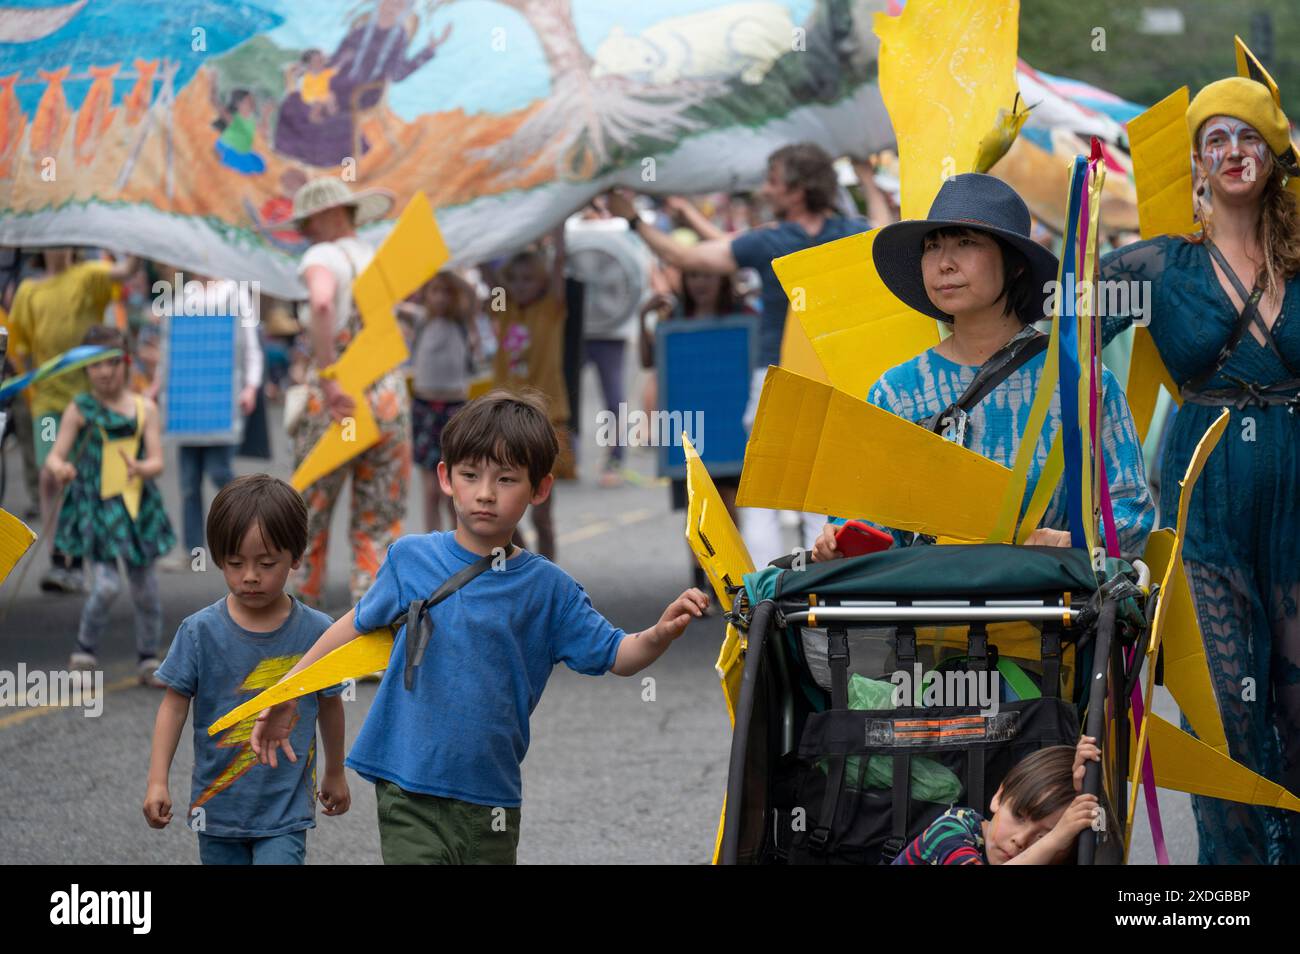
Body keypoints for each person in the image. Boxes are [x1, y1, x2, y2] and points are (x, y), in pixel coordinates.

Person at [250, 391, 709, 864]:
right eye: (471, 475)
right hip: (408, 791)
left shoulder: (550, 589)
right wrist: (289, 690)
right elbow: (351, 625)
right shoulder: (411, 559)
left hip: (492, 802)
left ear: (540, 489)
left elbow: (618, 655)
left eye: (506, 479)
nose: (485, 492)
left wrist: (660, 631)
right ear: (447, 477)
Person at [1100, 75, 1300, 864]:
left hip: (1297, 488)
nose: (1232, 151)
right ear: (1195, 164)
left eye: (1248, 136)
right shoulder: (1157, 268)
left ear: (1273, 154)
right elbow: (1052, 332)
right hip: (1203, 493)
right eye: (1214, 140)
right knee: (1225, 711)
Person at [811, 173, 1155, 562]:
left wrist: (1074, 540)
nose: (944, 263)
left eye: (966, 243)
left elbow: (1132, 516)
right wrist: (840, 540)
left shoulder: (1079, 384)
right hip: (923, 613)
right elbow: (865, 517)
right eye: (932, 246)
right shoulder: (896, 391)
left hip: (1050, 614)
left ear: (1016, 264)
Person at [608, 144, 872, 564]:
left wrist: (634, 218)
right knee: (820, 494)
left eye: (773, 180)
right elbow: (889, 227)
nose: (765, 189)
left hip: (775, 376)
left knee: (763, 494)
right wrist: (868, 177)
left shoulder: (771, 241)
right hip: (834, 378)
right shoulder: (850, 233)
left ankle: (766, 593)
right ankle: (820, 592)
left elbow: (684, 256)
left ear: (797, 190)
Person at [143, 474, 348, 864]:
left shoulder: (318, 632)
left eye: (266, 563)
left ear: (297, 557)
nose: (250, 575)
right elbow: (173, 705)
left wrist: (335, 771)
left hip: (284, 812)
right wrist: (157, 781)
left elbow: (331, 703)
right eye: (235, 563)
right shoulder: (199, 631)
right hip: (217, 809)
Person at [290, 176, 410, 611]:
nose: (304, 232)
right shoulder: (372, 255)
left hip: (338, 403)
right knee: (379, 521)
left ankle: (296, 632)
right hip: (388, 397)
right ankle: (373, 629)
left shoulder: (322, 255)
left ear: (327, 214)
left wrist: (327, 373)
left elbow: (322, 303)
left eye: (306, 222)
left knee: (305, 517)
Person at [42, 326, 175, 684]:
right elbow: (54, 457)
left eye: (112, 363)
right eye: (96, 365)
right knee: (105, 585)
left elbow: (158, 461)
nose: (105, 372)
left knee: (146, 588)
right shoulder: (80, 408)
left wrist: (141, 468)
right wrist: (63, 468)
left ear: (127, 363)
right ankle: (84, 649)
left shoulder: (144, 407)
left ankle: (148, 659)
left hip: (135, 506)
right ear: (86, 370)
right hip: (97, 510)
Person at [7, 247, 137, 592]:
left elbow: (125, 271)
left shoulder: (89, 274)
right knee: (52, 472)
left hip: (86, 400)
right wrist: (30, 385)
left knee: (81, 480)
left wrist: (138, 241)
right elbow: (19, 346)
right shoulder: (29, 290)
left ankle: (76, 562)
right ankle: (61, 555)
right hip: (48, 403)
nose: (59, 245)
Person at [639, 228, 748, 590]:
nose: (700, 283)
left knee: (729, 509)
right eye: (693, 275)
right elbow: (647, 362)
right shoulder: (673, 317)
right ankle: (700, 579)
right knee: (697, 511)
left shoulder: (744, 315)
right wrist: (646, 319)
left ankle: (732, 578)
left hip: (729, 431)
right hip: (689, 430)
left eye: (707, 275)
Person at [165, 274, 264, 570]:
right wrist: (161, 386)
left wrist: (251, 385)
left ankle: (246, 537)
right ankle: (194, 553)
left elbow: (251, 345)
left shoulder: (235, 293)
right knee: (188, 484)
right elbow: (172, 347)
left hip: (222, 401)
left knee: (220, 474)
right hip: (188, 407)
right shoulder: (186, 296)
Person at [892, 737, 1101, 865]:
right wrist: (1054, 839)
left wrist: (1084, 792)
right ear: (999, 796)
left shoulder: (1050, 855)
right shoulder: (951, 830)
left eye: (1042, 835)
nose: (1021, 840)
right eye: (1019, 816)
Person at [491, 228, 571, 561]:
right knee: (505, 510)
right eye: (516, 279)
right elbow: (486, 269)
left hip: (546, 418)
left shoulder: (550, 309)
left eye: (529, 279)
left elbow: (559, 267)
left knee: (542, 511)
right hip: (506, 419)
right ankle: (522, 565)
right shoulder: (504, 308)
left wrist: (559, 227)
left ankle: (550, 574)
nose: (522, 285)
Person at [410, 270, 478, 532]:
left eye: (446, 292)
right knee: (430, 490)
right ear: (425, 295)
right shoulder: (420, 320)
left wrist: (447, 270)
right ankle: (432, 541)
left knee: (453, 488)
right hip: (424, 407)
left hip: (454, 409)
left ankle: (457, 541)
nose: (440, 298)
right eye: (434, 291)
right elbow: (389, 307)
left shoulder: (461, 320)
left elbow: (472, 295)